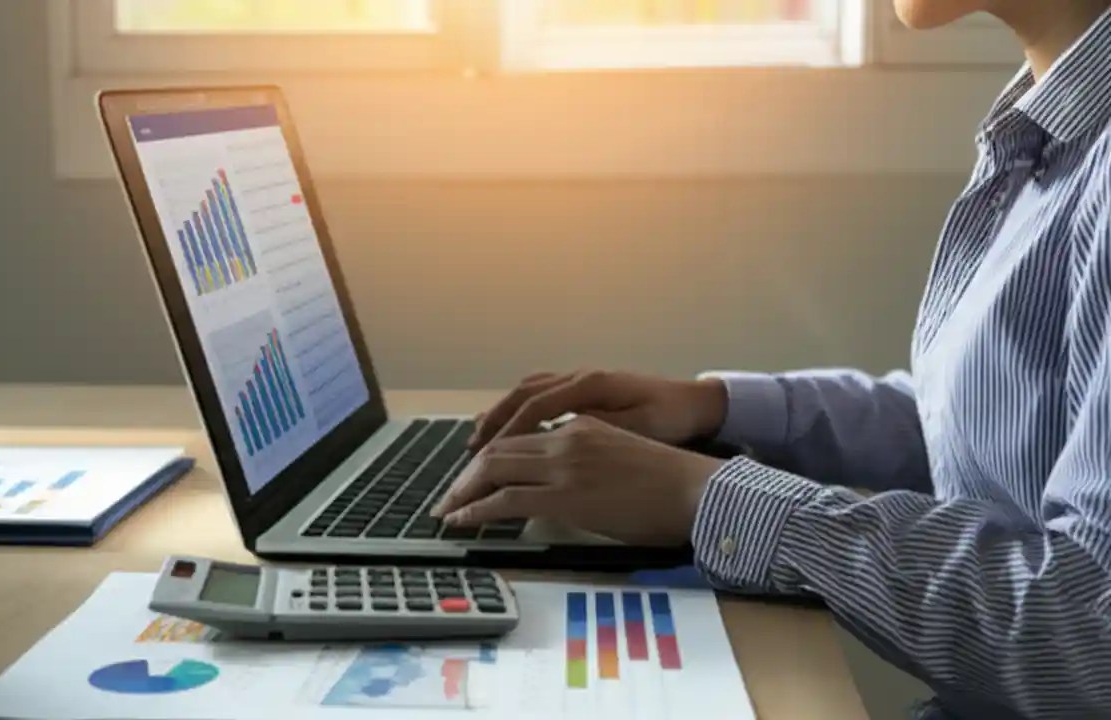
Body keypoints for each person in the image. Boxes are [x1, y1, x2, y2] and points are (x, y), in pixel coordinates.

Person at [430, 1, 1111, 718]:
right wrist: (714, 406)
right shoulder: (1055, 126)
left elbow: (1091, 633)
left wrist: (711, 497)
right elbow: (997, 433)